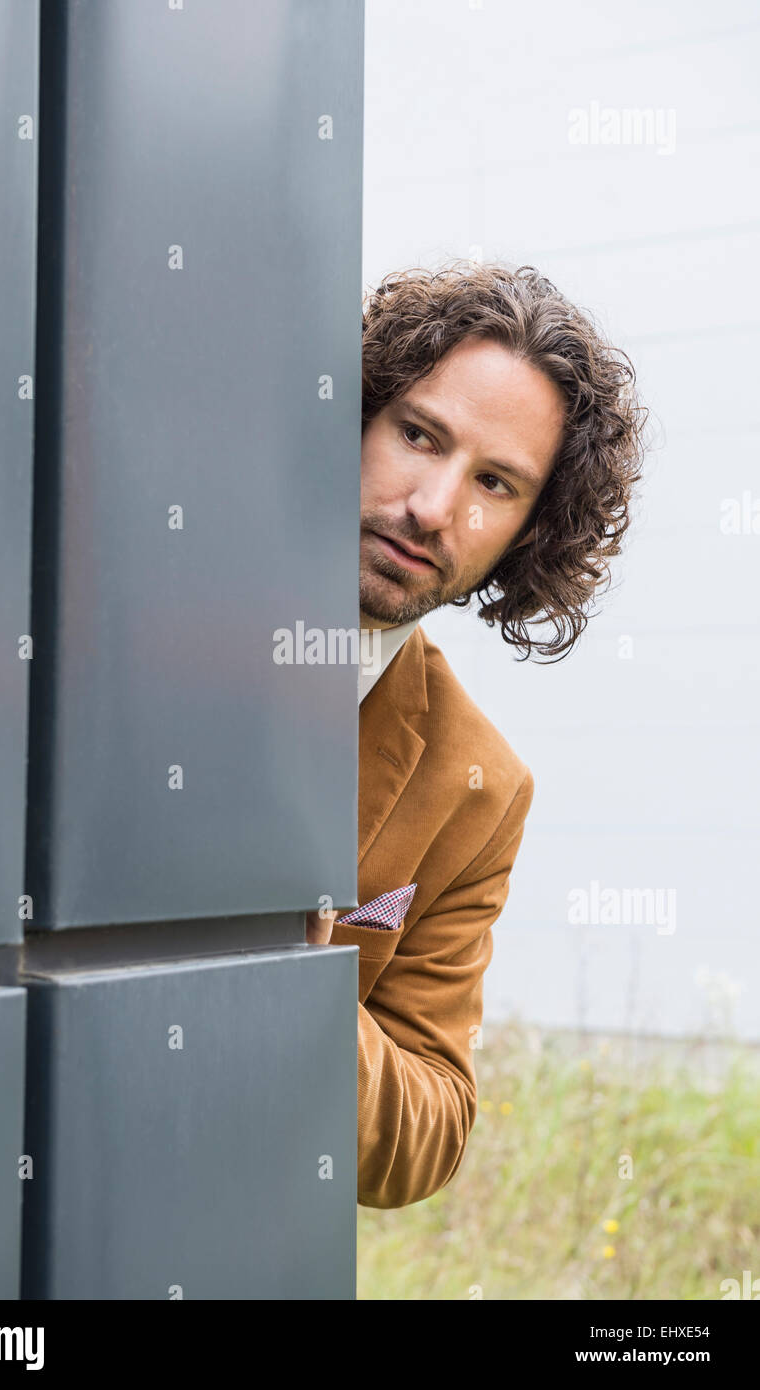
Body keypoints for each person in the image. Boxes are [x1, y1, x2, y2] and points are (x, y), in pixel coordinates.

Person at [307, 260, 647, 1209]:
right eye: (418, 435)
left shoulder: (479, 787)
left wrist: (289, 971)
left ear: (531, 535)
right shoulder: (125, 608)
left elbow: (429, 1132)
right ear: (352, 411)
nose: (433, 507)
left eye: (495, 482)